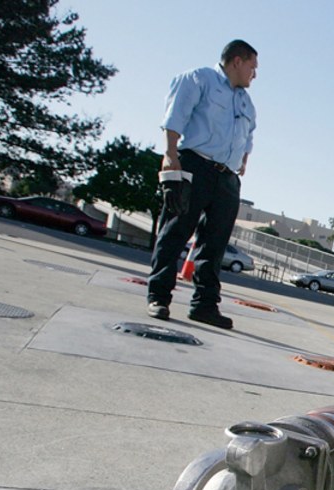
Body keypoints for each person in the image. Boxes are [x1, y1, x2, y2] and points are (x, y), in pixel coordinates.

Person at [146, 39, 259, 329]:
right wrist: (171, 157)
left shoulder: (247, 102)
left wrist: (242, 162)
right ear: (237, 61)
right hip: (194, 164)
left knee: (215, 245)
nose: (254, 74)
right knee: (175, 231)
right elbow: (174, 119)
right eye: (252, 67)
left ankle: (204, 306)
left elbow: (248, 137)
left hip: (227, 178)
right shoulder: (199, 79)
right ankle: (159, 297)